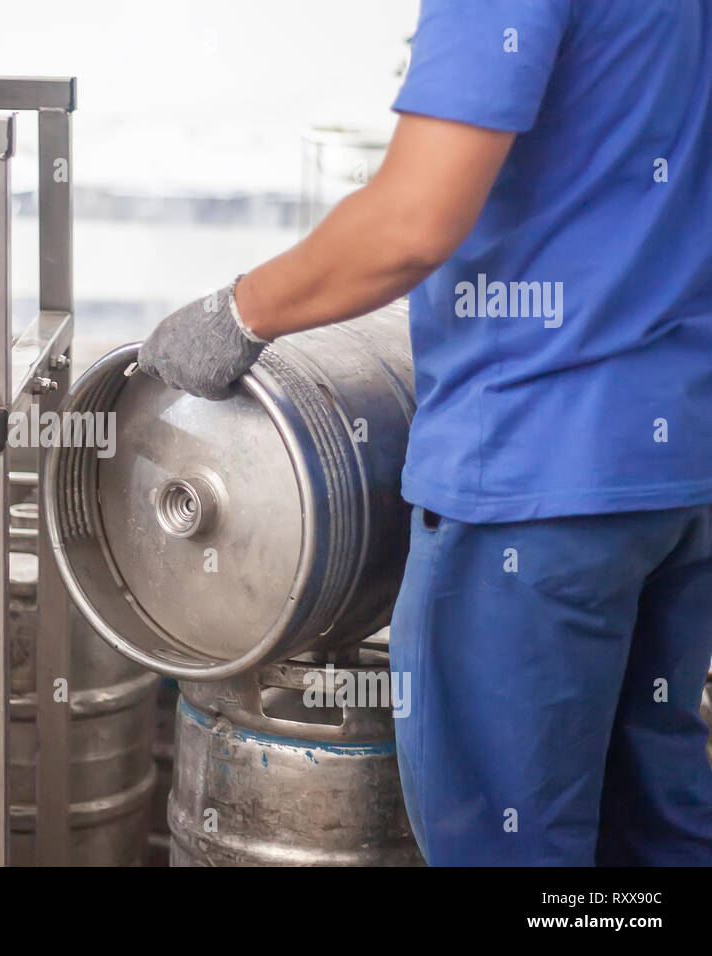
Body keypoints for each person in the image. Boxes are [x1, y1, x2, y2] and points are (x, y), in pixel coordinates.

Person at [138, 0, 712, 865]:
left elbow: (411, 223)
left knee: (513, 846)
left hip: (533, 476)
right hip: (679, 463)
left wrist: (238, 312)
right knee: (652, 829)